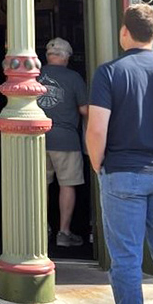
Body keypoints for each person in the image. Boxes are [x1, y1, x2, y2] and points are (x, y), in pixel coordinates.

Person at [86, 4, 153, 304]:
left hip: (122, 173)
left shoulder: (110, 72)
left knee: (126, 261)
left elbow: (96, 128)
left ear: (125, 33)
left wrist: (98, 164)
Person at [38, 37, 88, 247]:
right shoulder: (74, 77)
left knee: (40, 186)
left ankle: (41, 230)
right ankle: (63, 233)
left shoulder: (35, 76)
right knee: (67, 184)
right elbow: (85, 109)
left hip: (37, 139)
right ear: (66, 57)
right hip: (66, 140)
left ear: (48, 57)